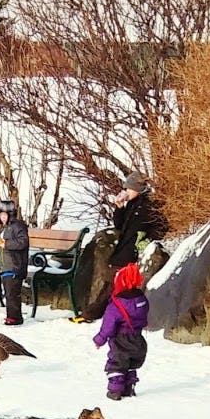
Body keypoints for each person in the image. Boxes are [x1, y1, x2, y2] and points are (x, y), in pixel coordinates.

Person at [73, 170, 168, 323]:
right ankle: (96, 313)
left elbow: (161, 227)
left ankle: (93, 314)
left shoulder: (149, 205)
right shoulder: (132, 204)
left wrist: (145, 242)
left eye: (128, 188)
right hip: (124, 249)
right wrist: (119, 208)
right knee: (112, 282)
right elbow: (119, 225)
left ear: (136, 188)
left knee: (116, 283)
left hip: (133, 250)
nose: (126, 191)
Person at [92, 263, 149, 400]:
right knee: (130, 364)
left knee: (116, 365)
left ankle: (115, 391)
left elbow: (108, 326)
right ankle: (129, 388)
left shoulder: (116, 305)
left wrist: (99, 339)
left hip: (120, 340)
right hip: (138, 338)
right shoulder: (142, 300)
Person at [0, 199, 29, 326]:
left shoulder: (17, 226)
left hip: (15, 265)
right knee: (8, 292)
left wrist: (6, 243)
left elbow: (23, 242)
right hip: (5, 266)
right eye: (1, 215)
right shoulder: (4, 228)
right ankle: (11, 316)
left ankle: (15, 318)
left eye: (4, 215)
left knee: (12, 293)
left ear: (10, 214)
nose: (2, 218)